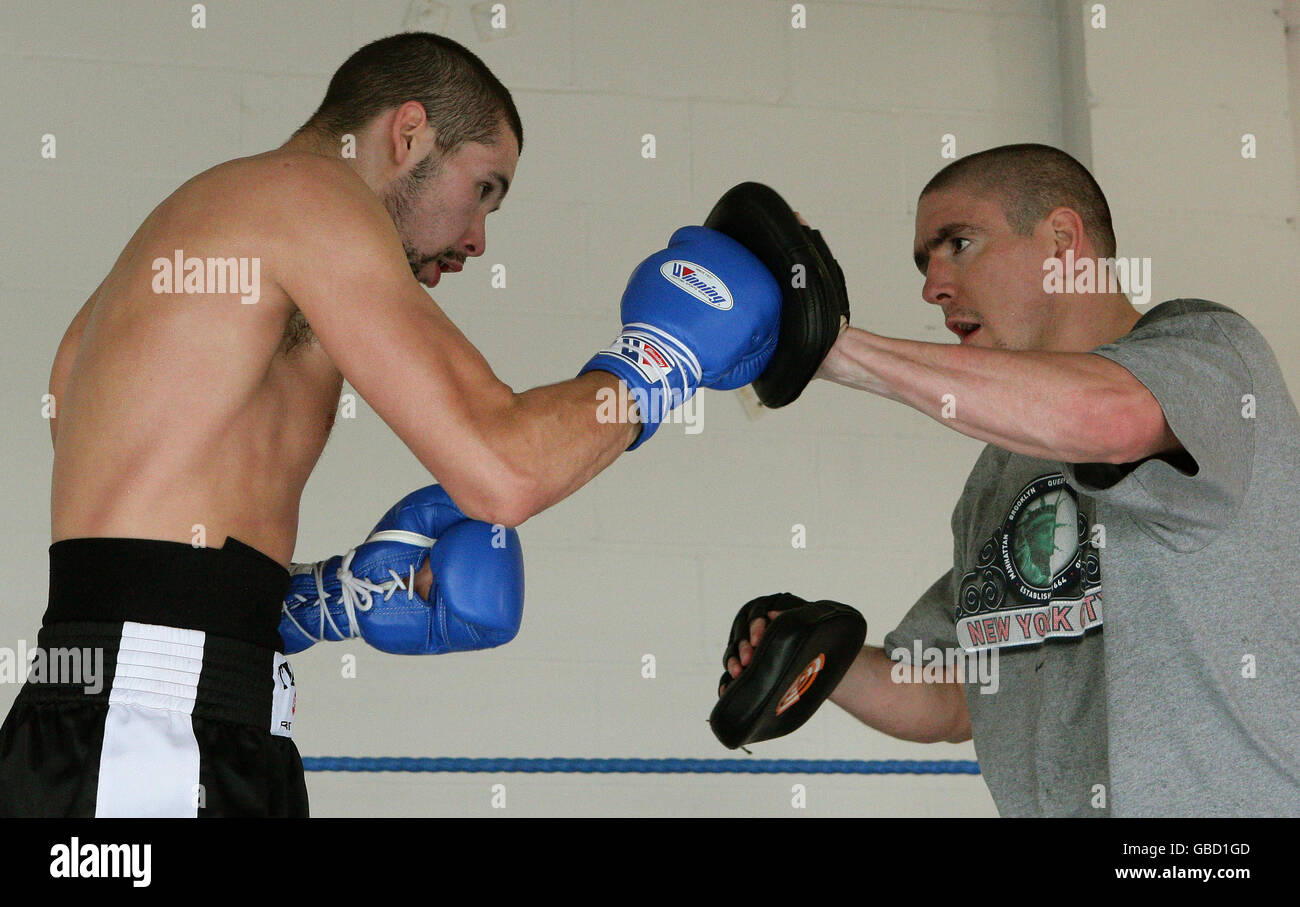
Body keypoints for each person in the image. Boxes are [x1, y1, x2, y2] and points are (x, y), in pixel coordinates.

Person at [0, 32, 782, 817]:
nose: (479, 238)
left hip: (138, 724)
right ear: (409, 134)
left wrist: (315, 598)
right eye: (484, 188)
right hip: (150, 741)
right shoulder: (310, 196)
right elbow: (503, 467)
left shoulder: (165, 255)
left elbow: (131, 526)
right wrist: (659, 359)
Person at [723, 144, 1300, 817]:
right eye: (924, 262)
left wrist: (835, 347)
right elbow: (956, 693)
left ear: (1061, 240)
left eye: (958, 244)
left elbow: (1110, 415)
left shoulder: (1209, 354)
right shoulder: (999, 475)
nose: (932, 286)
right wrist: (820, 658)